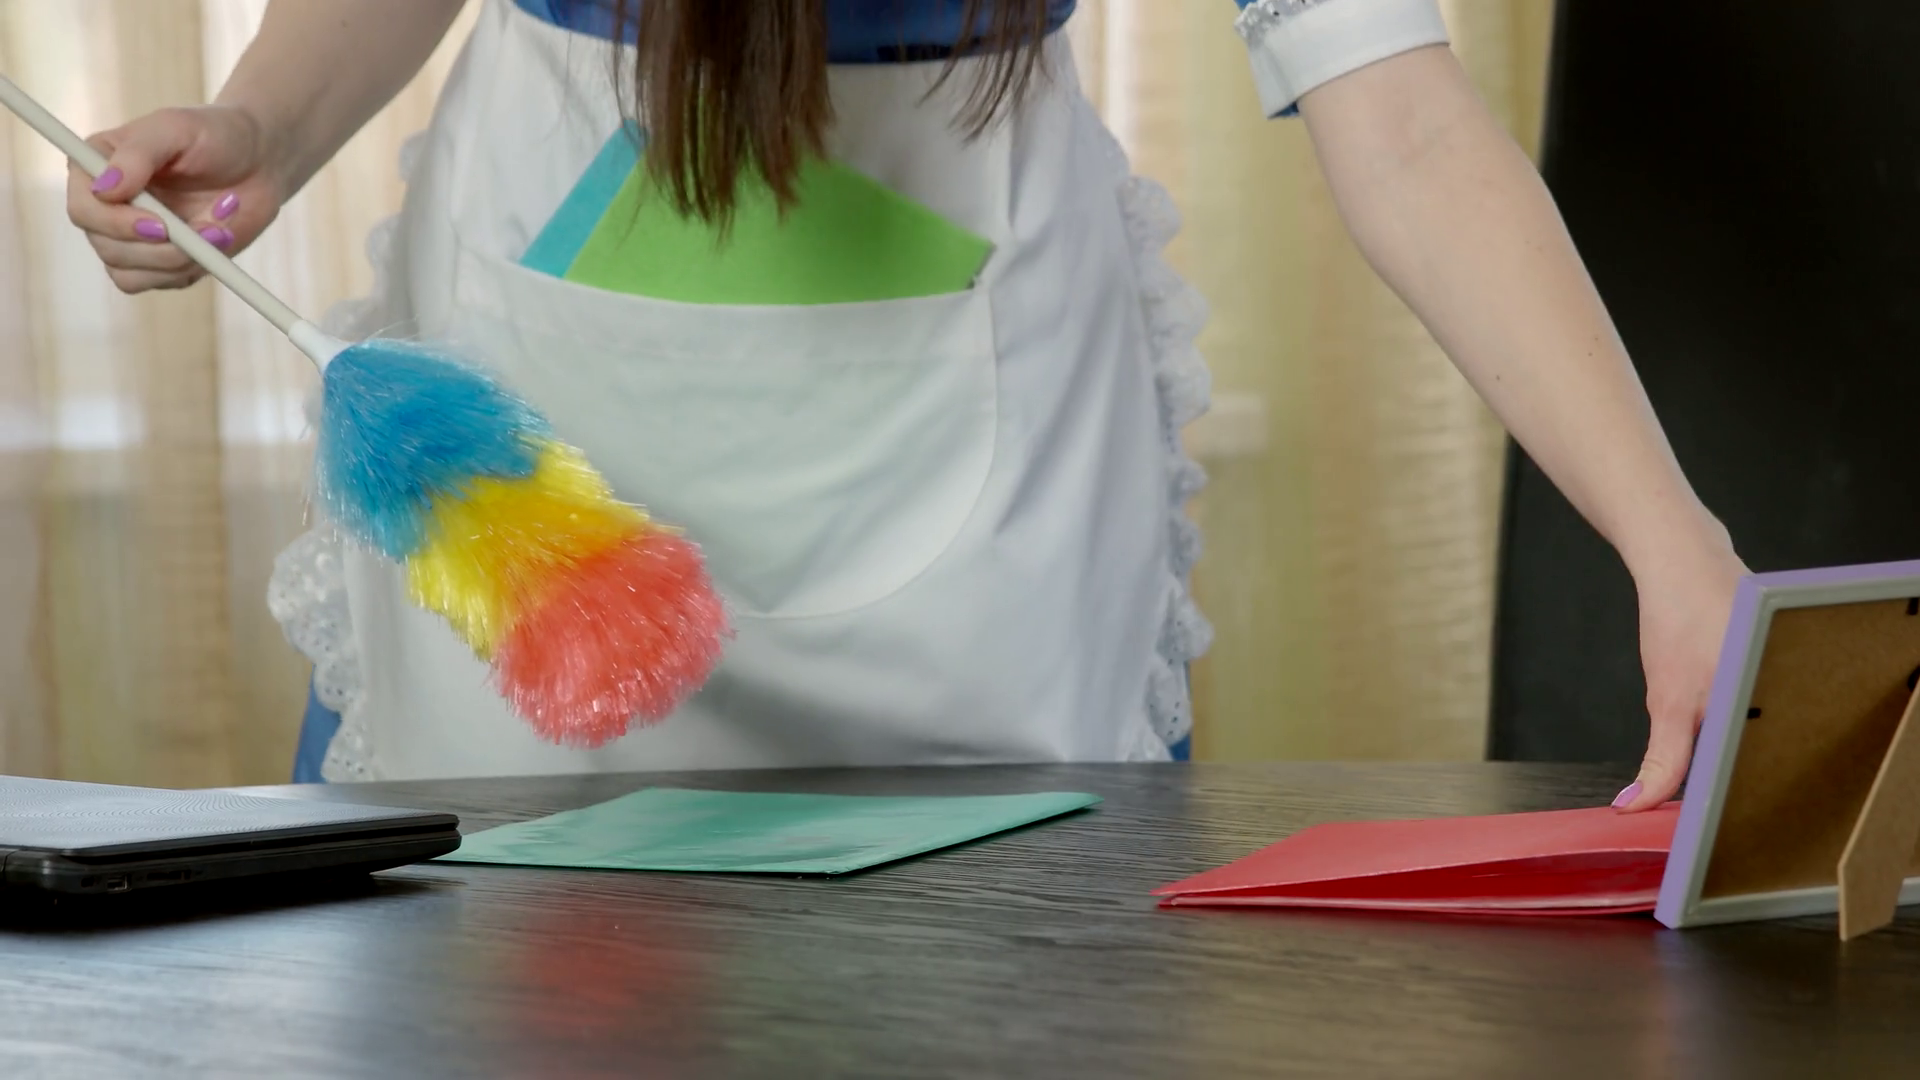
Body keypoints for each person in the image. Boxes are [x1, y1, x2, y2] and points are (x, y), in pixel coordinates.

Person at [66, 0, 1742, 811]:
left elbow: (1410, 124)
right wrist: (264, 131)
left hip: (989, 396)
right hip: (548, 369)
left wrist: (1669, 538)